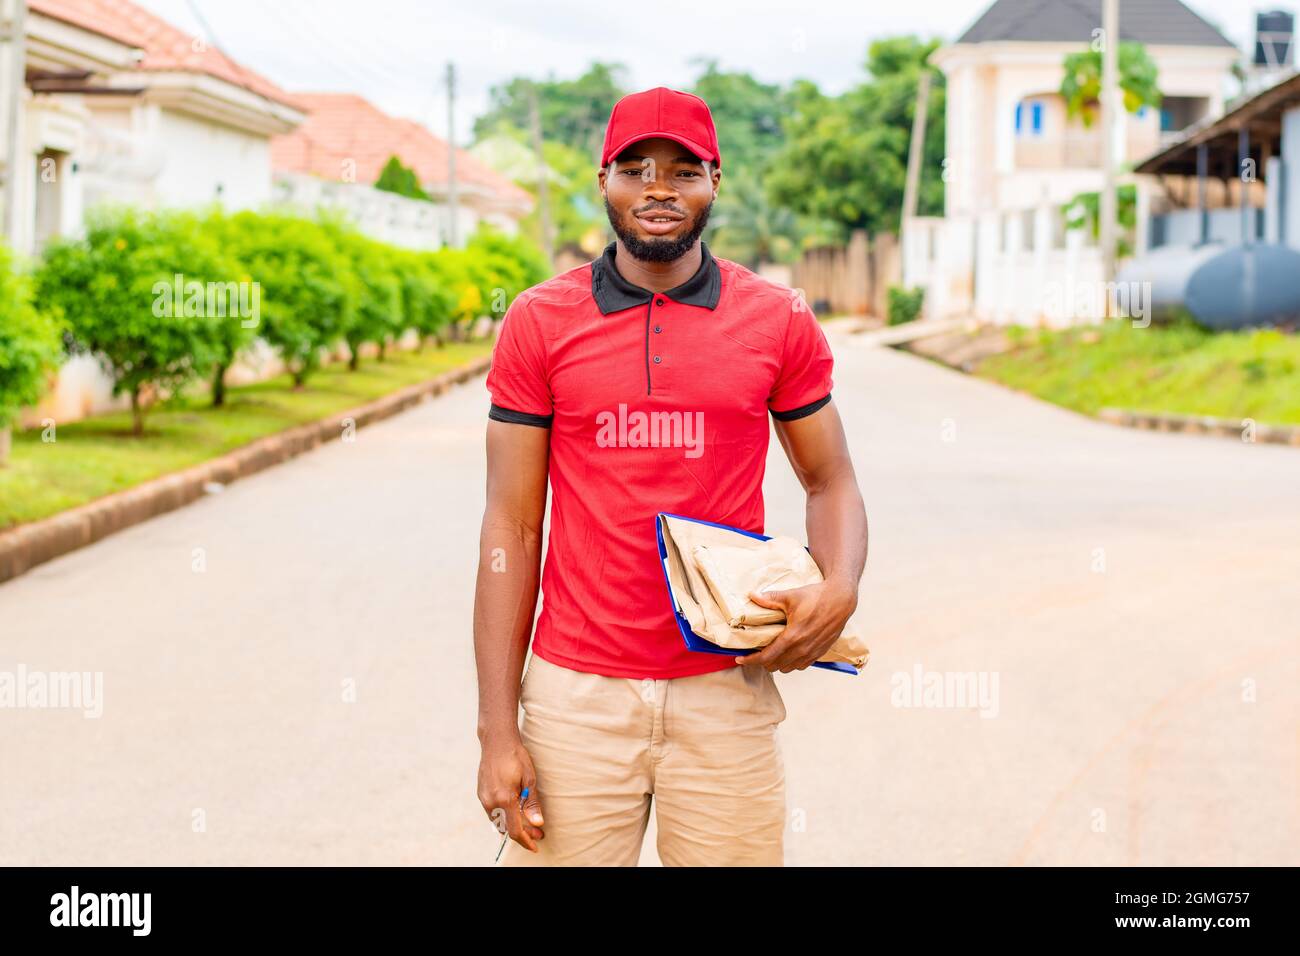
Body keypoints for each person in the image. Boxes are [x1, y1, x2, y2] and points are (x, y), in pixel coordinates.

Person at [473, 86, 868, 866]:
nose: (658, 187)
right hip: (574, 693)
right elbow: (511, 527)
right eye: (636, 167)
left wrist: (841, 585)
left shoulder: (775, 318)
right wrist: (496, 730)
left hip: (725, 687)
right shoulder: (540, 320)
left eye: (684, 171)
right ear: (604, 180)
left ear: (715, 182)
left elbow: (832, 479)